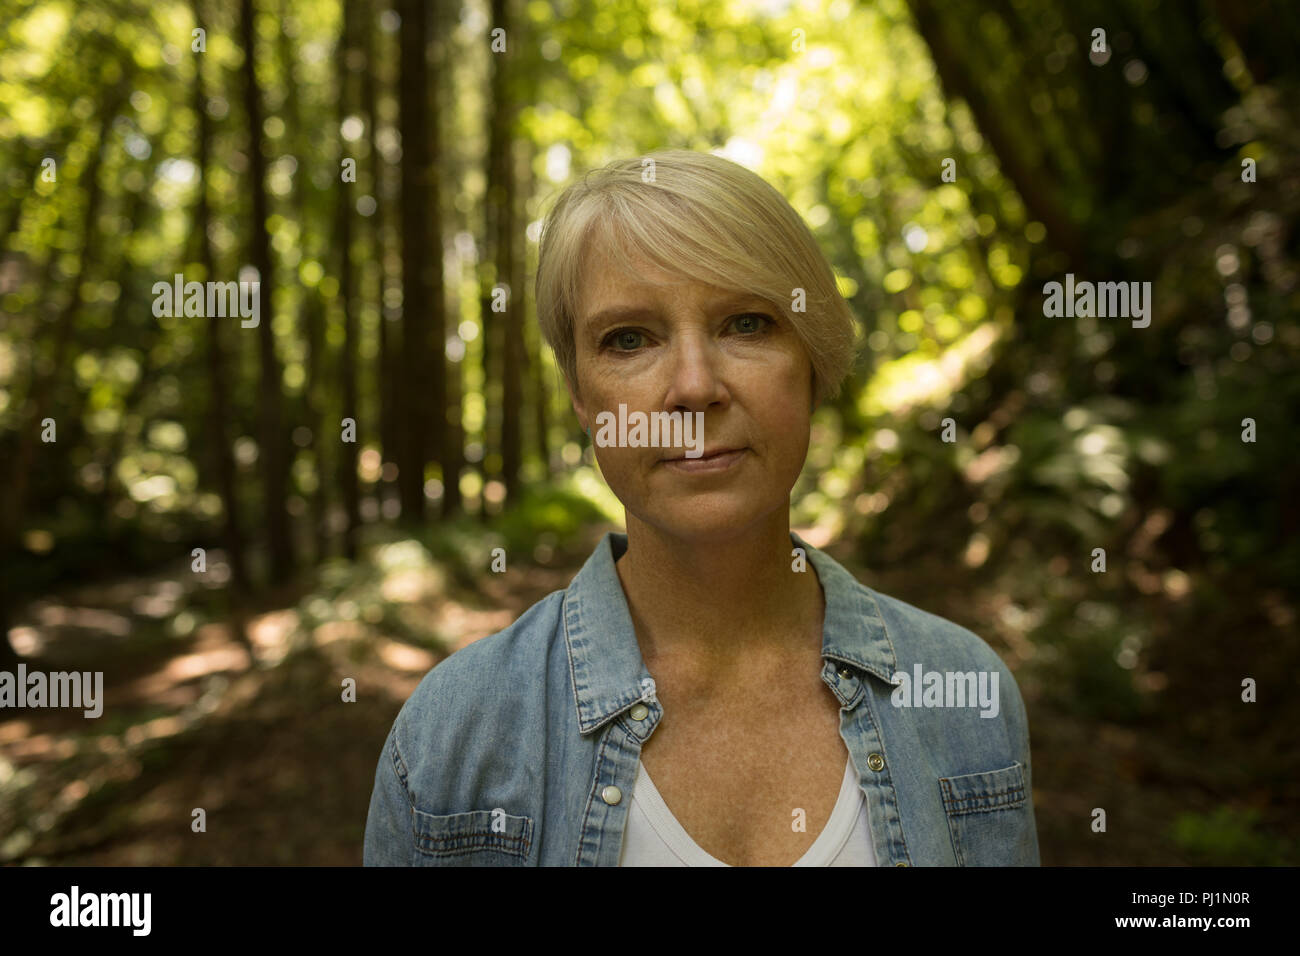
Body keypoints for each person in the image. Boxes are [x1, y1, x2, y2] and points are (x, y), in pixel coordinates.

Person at [363, 148, 1039, 866]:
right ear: (582, 397)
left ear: (810, 360)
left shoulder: (965, 698)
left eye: (746, 324)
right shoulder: (448, 741)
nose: (694, 386)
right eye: (629, 339)